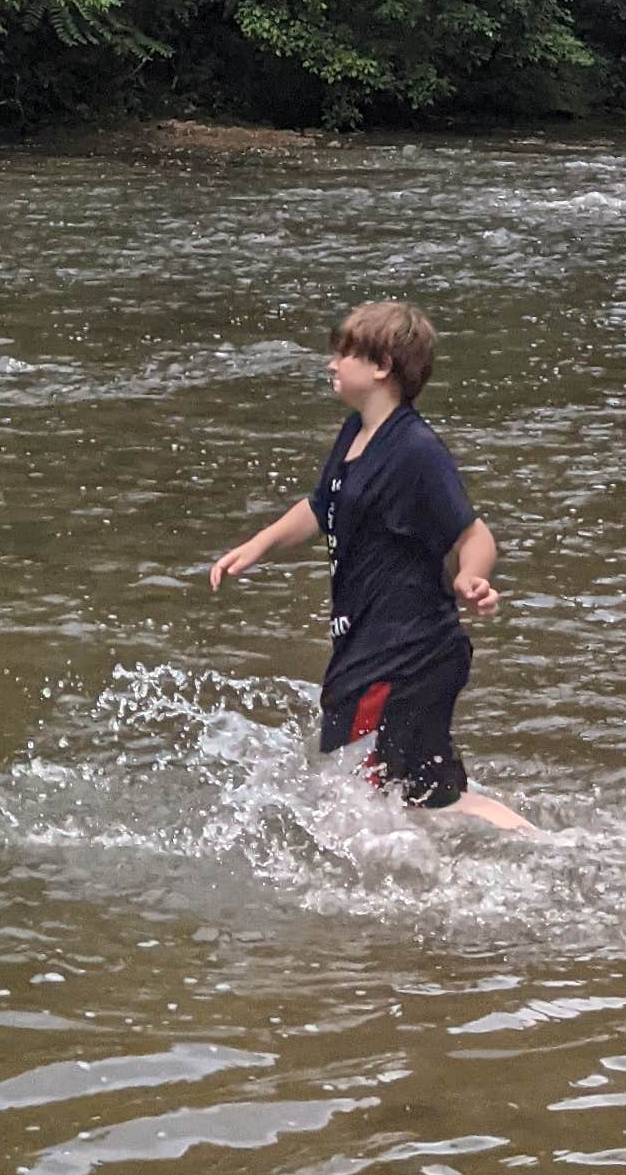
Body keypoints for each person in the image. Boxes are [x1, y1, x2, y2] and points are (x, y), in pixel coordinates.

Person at [207, 300, 535, 833]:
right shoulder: (354, 435)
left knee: (355, 797)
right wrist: (259, 544)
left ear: (383, 367)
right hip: (371, 650)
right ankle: (537, 846)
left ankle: (541, 851)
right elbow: (320, 505)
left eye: (345, 353)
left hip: (407, 655)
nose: (331, 363)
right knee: (414, 797)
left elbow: (474, 534)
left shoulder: (415, 450)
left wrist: (472, 576)